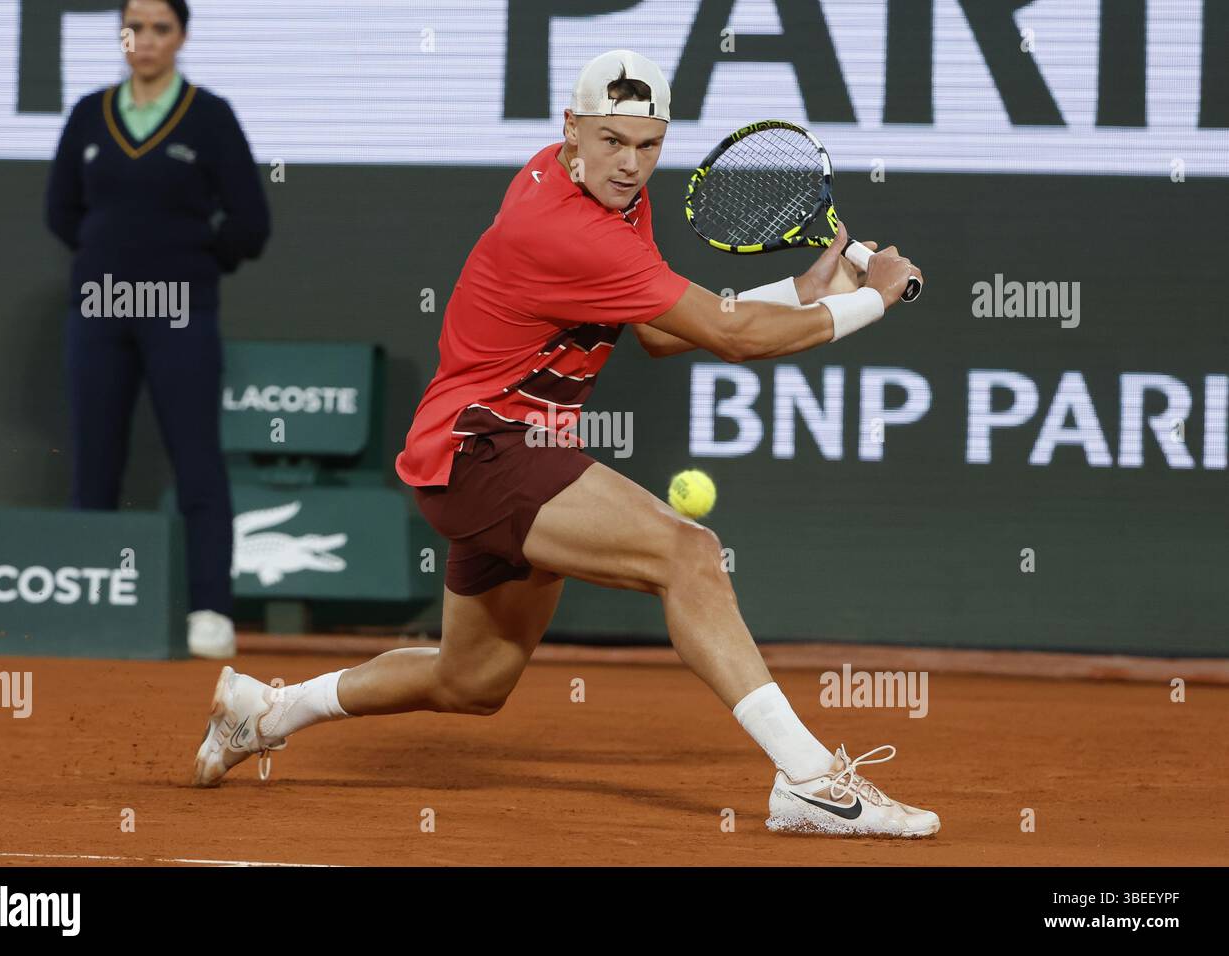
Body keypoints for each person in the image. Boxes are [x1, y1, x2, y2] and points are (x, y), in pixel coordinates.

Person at [193, 50, 937, 837]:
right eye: (612, 140)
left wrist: (799, 292)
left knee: (470, 680)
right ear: (570, 128)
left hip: (486, 458)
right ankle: (810, 779)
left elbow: (652, 329)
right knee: (687, 555)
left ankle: (266, 713)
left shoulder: (599, 193)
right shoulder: (560, 225)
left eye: (648, 145)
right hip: (483, 448)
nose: (630, 163)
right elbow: (730, 338)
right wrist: (874, 303)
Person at [45, 0, 270, 659]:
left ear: (182, 37)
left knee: (197, 461)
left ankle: (209, 610)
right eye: (134, 27)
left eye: (160, 28)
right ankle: (90, 603)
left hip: (180, 309)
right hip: (99, 309)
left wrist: (194, 262)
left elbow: (251, 222)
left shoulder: (210, 116)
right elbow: (62, 211)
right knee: (93, 462)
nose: (144, 40)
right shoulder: (88, 113)